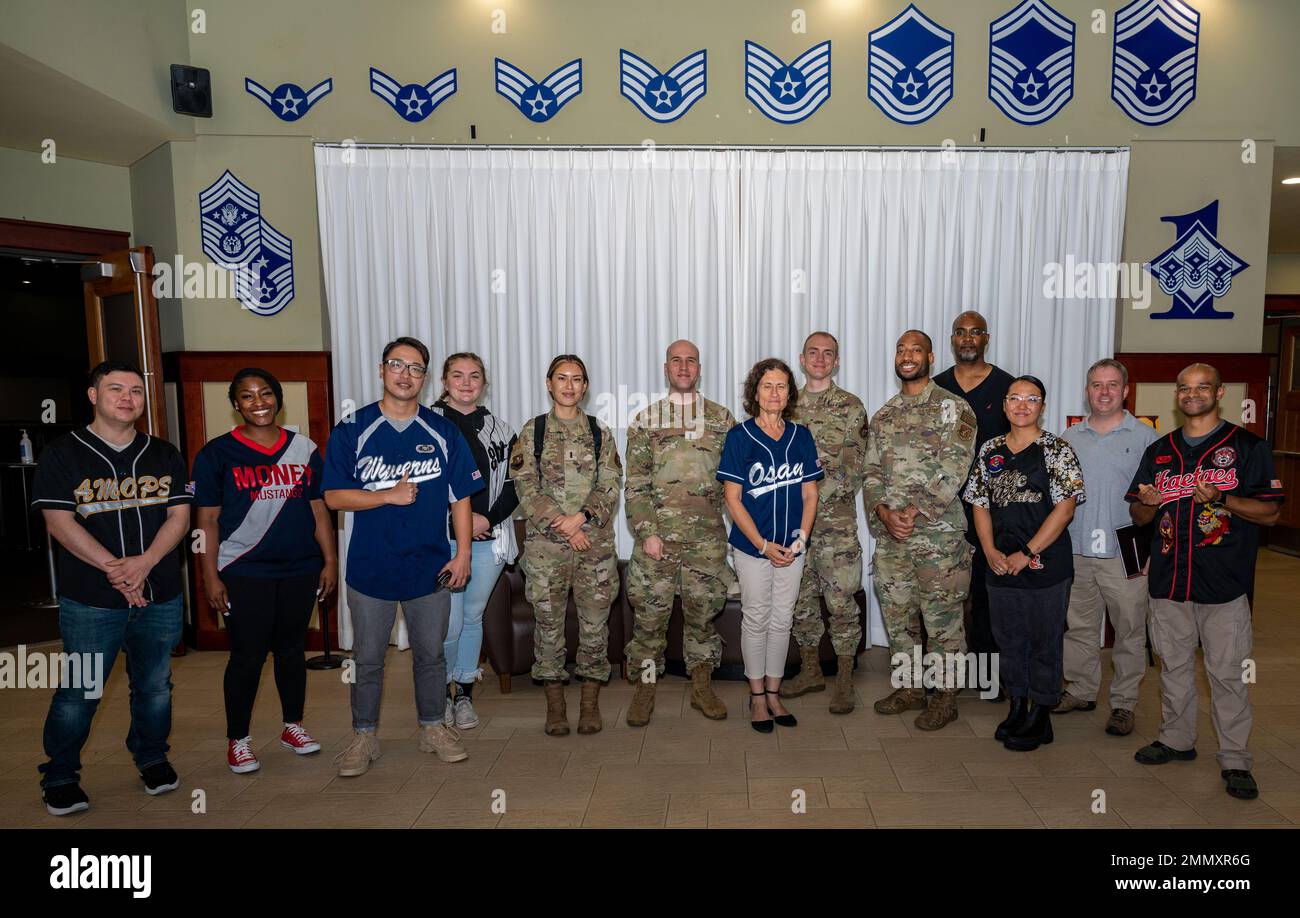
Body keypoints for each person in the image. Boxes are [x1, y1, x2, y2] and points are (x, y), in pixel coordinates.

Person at [32, 361, 193, 815]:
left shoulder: (164, 453)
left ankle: (152, 757)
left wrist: (143, 564)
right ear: (92, 395)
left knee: (155, 685)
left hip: (159, 591)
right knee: (81, 690)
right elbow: (58, 520)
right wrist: (116, 569)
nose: (127, 398)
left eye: (136, 391)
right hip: (92, 598)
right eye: (116, 389)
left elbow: (179, 517)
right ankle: (60, 775)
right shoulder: (63, 452)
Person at [323, 337, 482, 776]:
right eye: (397, 364)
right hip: (370, 568)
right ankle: (363, 736)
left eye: (415, 368)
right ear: (382, 370)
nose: (405, 374)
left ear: (425, 378)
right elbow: (334, 497)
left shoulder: (443, 431)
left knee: (430, 655)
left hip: (430, 566)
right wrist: (386, 496)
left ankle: (433, 728)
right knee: (368, 658)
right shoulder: (353, 429)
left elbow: (461, 499)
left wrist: (464, 552)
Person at [1127, 363, 1285, 800]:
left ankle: (1235, 758)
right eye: (1184, 388)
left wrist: (1225, 499)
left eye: (1202, 388)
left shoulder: (1249, 447)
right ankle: (1177, 739)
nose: (1192, 394)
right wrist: (1148, 503)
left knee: (1227, 674)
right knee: (1174, 668)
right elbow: (1138, 516)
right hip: (1168, 582)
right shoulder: (1159, 451)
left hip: (1224, 584)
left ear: (1219, 394)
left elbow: (1272, 512)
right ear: (1177, 395)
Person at [192, 368, 338, 774]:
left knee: (291, 651)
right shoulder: (216, 454)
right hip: (242, 569)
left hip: (300, 568)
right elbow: (207, 519)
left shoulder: (304, 449)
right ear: (236, 405)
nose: (258, 402)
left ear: (278, 398)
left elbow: (319, 510)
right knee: (247, 656)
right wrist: (209, 575)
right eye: (247, 396)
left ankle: (293, 726)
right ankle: (238, 740)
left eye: (266, 394)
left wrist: (329, 561)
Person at [963, 376, 1085, 751]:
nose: (1022, 404)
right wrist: (989, 551)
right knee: (1009, 638)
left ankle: (1041, 713)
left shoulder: (1057, 450)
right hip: (999, 563)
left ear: (1042, 407)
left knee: (1043, 640)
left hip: (1044, 565)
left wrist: (1027, 553)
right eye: (1014, 397)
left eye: (1031, 399)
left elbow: (1064, 510)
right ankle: (1018, 704)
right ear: (1004, 405)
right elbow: (979, 503)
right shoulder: (990, 450)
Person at [864, 331, 978, 731]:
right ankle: (910, 687)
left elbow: (955, 468)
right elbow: (871, 471)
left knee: (942, 620)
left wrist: (913, 511)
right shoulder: (884, 415)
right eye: (900, 349)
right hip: (892, 538)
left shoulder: (954, 408)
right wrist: (882, 510)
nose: (907, 356)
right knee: (898, 619)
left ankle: (945, 696)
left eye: (915, 350)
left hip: (939, 540)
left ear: (930, 356)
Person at [623, 339, 736, 726]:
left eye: (690, 361)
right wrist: (646, 532)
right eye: (676, 360)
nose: (683, 367)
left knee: (703, 617)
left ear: (699, 368)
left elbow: (734, 485)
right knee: (650, 620)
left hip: (706, 540)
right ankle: (645, 689)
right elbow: (635, 486)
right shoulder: (646, 420)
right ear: (666, 367)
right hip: (657, 541)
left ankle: (702, 687)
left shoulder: (722, 419)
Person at [509, 355, 622, 736]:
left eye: (577, 379)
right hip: (546, 549)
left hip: (594, 547)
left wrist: (582, 519)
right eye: (562, 378)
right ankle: (555, 706)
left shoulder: (599, 431)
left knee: (595, 627)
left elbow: (611, 483)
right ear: (549, 383)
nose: (569, 386)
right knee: (549, 627)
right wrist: (565, 525)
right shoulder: (533, 431)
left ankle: (590, 704)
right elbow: (525, 486)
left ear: (585, 386)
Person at [717, 358, 822, 733]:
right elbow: (733, 499)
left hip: (793, 546)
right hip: (751, 546)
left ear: (790, 392)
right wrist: (762, 544)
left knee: (782, 619)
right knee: (757, 617)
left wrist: (801, 539)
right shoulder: (739, 437)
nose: (774, 393)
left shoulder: (802, 436)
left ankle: (775, 692)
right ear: (754, 392)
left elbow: (810, 495)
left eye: (781, 386)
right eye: (767, 386)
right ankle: (757, 694)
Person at [1056, 359, 1159, 736]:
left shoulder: (1147, 438)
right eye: (1096, 385)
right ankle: (1081, 690)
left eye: (1112, 385)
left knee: (1129, 630)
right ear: (1086, 391)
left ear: (1125, 390)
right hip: (1077, 550)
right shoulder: (1069, 439)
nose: (1104, 392)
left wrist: (1152, 550)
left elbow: (1159, 502)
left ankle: (1124, 704)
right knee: (1080, 628)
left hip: (1126, 553)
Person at [431, 352, 519, 730]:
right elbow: (417, 484)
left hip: (489, 538)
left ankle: (463, 693)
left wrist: (487, 518)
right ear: (444, 381)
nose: (466, 383)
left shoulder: (500, 429)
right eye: (457, 375)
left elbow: (517, 486)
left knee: (471, 617)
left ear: (485, 384)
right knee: (446, 624)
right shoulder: (425, 423)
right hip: (440, 540)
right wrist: (461, 523)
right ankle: (440, 693)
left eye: (474, 376)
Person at [783, 332, 868, 713]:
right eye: (813, 352)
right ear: (802, 359)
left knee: (840, 601)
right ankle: (811, 669)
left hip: (834, 525)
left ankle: (846, 677)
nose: (820, 359)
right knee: (799, 600)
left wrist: (811, 494)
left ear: (836, 362)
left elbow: (854, 469)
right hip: (791, 525)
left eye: (828, 354)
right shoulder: (784, 404)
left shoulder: (851, 407)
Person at [933, 310, 1017, 678]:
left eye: (975, 332)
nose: (967, 338)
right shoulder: (933, 388)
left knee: (989, 592)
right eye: (960, 332)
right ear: (952, 340)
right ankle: (945, 671)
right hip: (941, 510)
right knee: (942, 593)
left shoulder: (1007, 388)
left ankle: (988, 673)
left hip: (994, 509)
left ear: (987, 338)